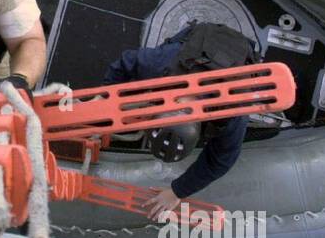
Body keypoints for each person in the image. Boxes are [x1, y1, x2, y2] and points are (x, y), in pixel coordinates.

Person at [103, 22, 258, 219]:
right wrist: (108, 101)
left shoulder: (231, 113)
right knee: (164, 54)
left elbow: (221, 162)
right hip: (199, 43)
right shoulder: (164, 64)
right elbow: (124, 63)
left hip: (242, 55)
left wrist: (177, 192)